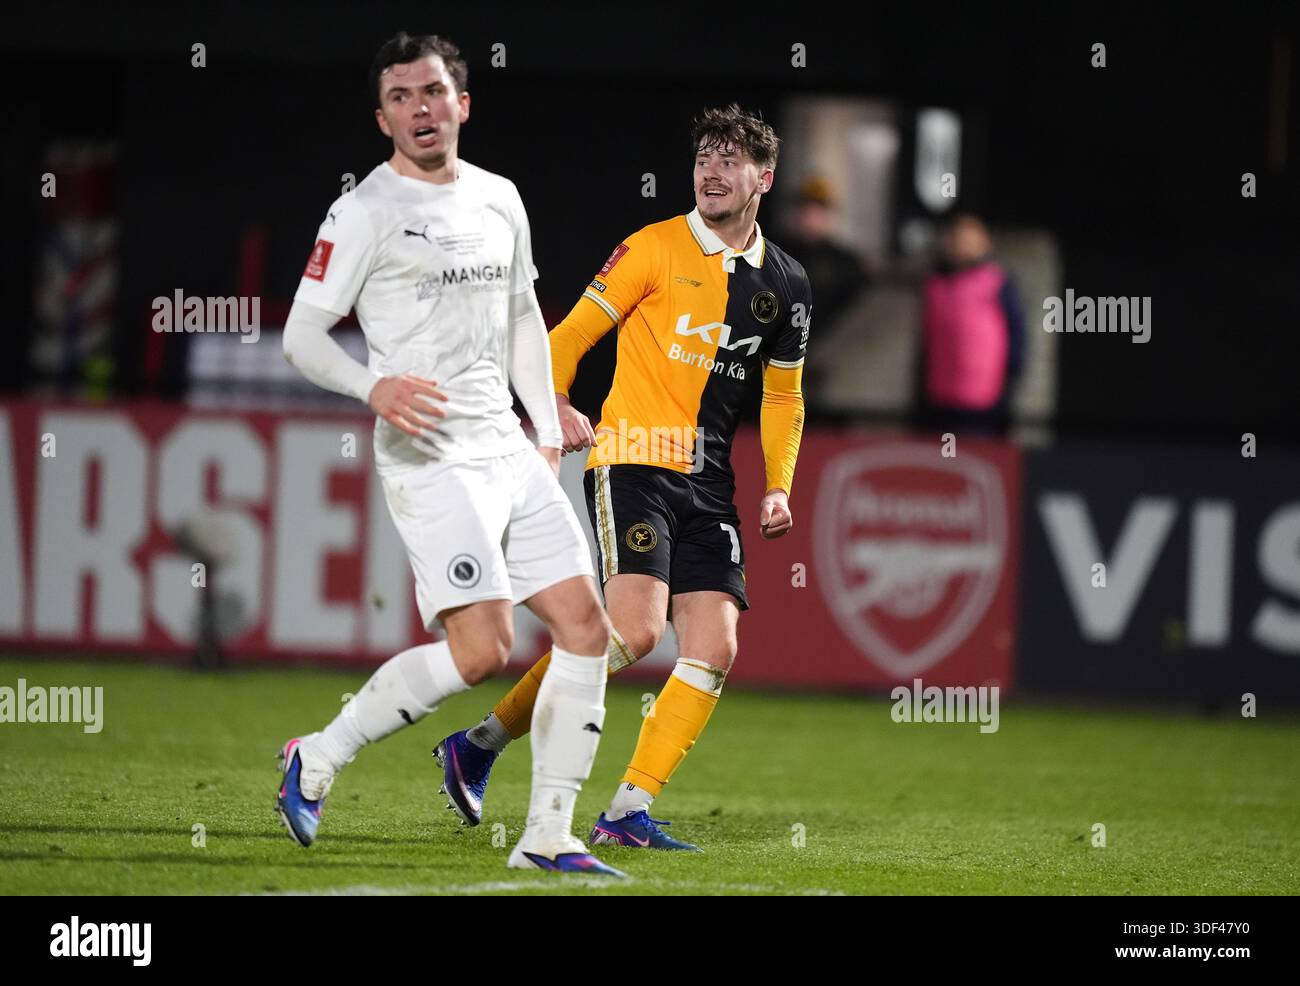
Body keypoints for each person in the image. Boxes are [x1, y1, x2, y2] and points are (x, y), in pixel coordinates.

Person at [274, 32, 622, 876]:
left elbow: (521, 322)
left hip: (505, 444)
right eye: (401, 96)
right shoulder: (363, 212)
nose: (419, 109)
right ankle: (316, 757)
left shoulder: (500, 197)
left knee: (586, 628)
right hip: (428, 451)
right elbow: (301, 337)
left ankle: (547, 835)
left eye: (433, 92)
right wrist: (372, 389)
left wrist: (543, 429)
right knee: (482, 653)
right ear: (383, 116)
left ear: (463, 103)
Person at [436, 103, 811, 852]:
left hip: (709, 484)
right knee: (634, 632)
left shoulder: (787, 283)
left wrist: (778, 485)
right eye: (703, 155)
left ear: (763, 178)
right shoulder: (652, 247)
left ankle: (626, 809)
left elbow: (783, 393)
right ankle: (481, 743)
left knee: (716, 647)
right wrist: (559, 406)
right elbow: (568, 336)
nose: (711, 169)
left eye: (729, 159)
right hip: (633, 460)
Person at [915, 213, 1026, 436]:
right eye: (955, 239)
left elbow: (1017, 334)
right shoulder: (933, 283)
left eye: (968, 240)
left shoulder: (997, 282)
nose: (960, 246)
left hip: (983, 398)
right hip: (939, 396)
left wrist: (1010, 380)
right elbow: (925, 341)